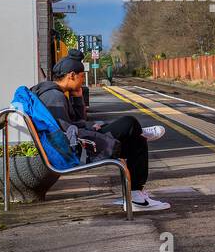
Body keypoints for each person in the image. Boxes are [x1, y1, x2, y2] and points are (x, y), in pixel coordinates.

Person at [33, 55, 171, 212]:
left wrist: (79, 100)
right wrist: (91, 129)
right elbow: (66, 130)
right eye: (81, 77)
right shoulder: (54, 96)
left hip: (79, 143)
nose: (82, 81)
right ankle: (139, 132)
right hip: (78, 148)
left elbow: (75, 122)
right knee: (129, 122)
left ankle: (136, 196)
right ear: (71, 75)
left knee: (137, 142)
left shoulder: (55, 93)